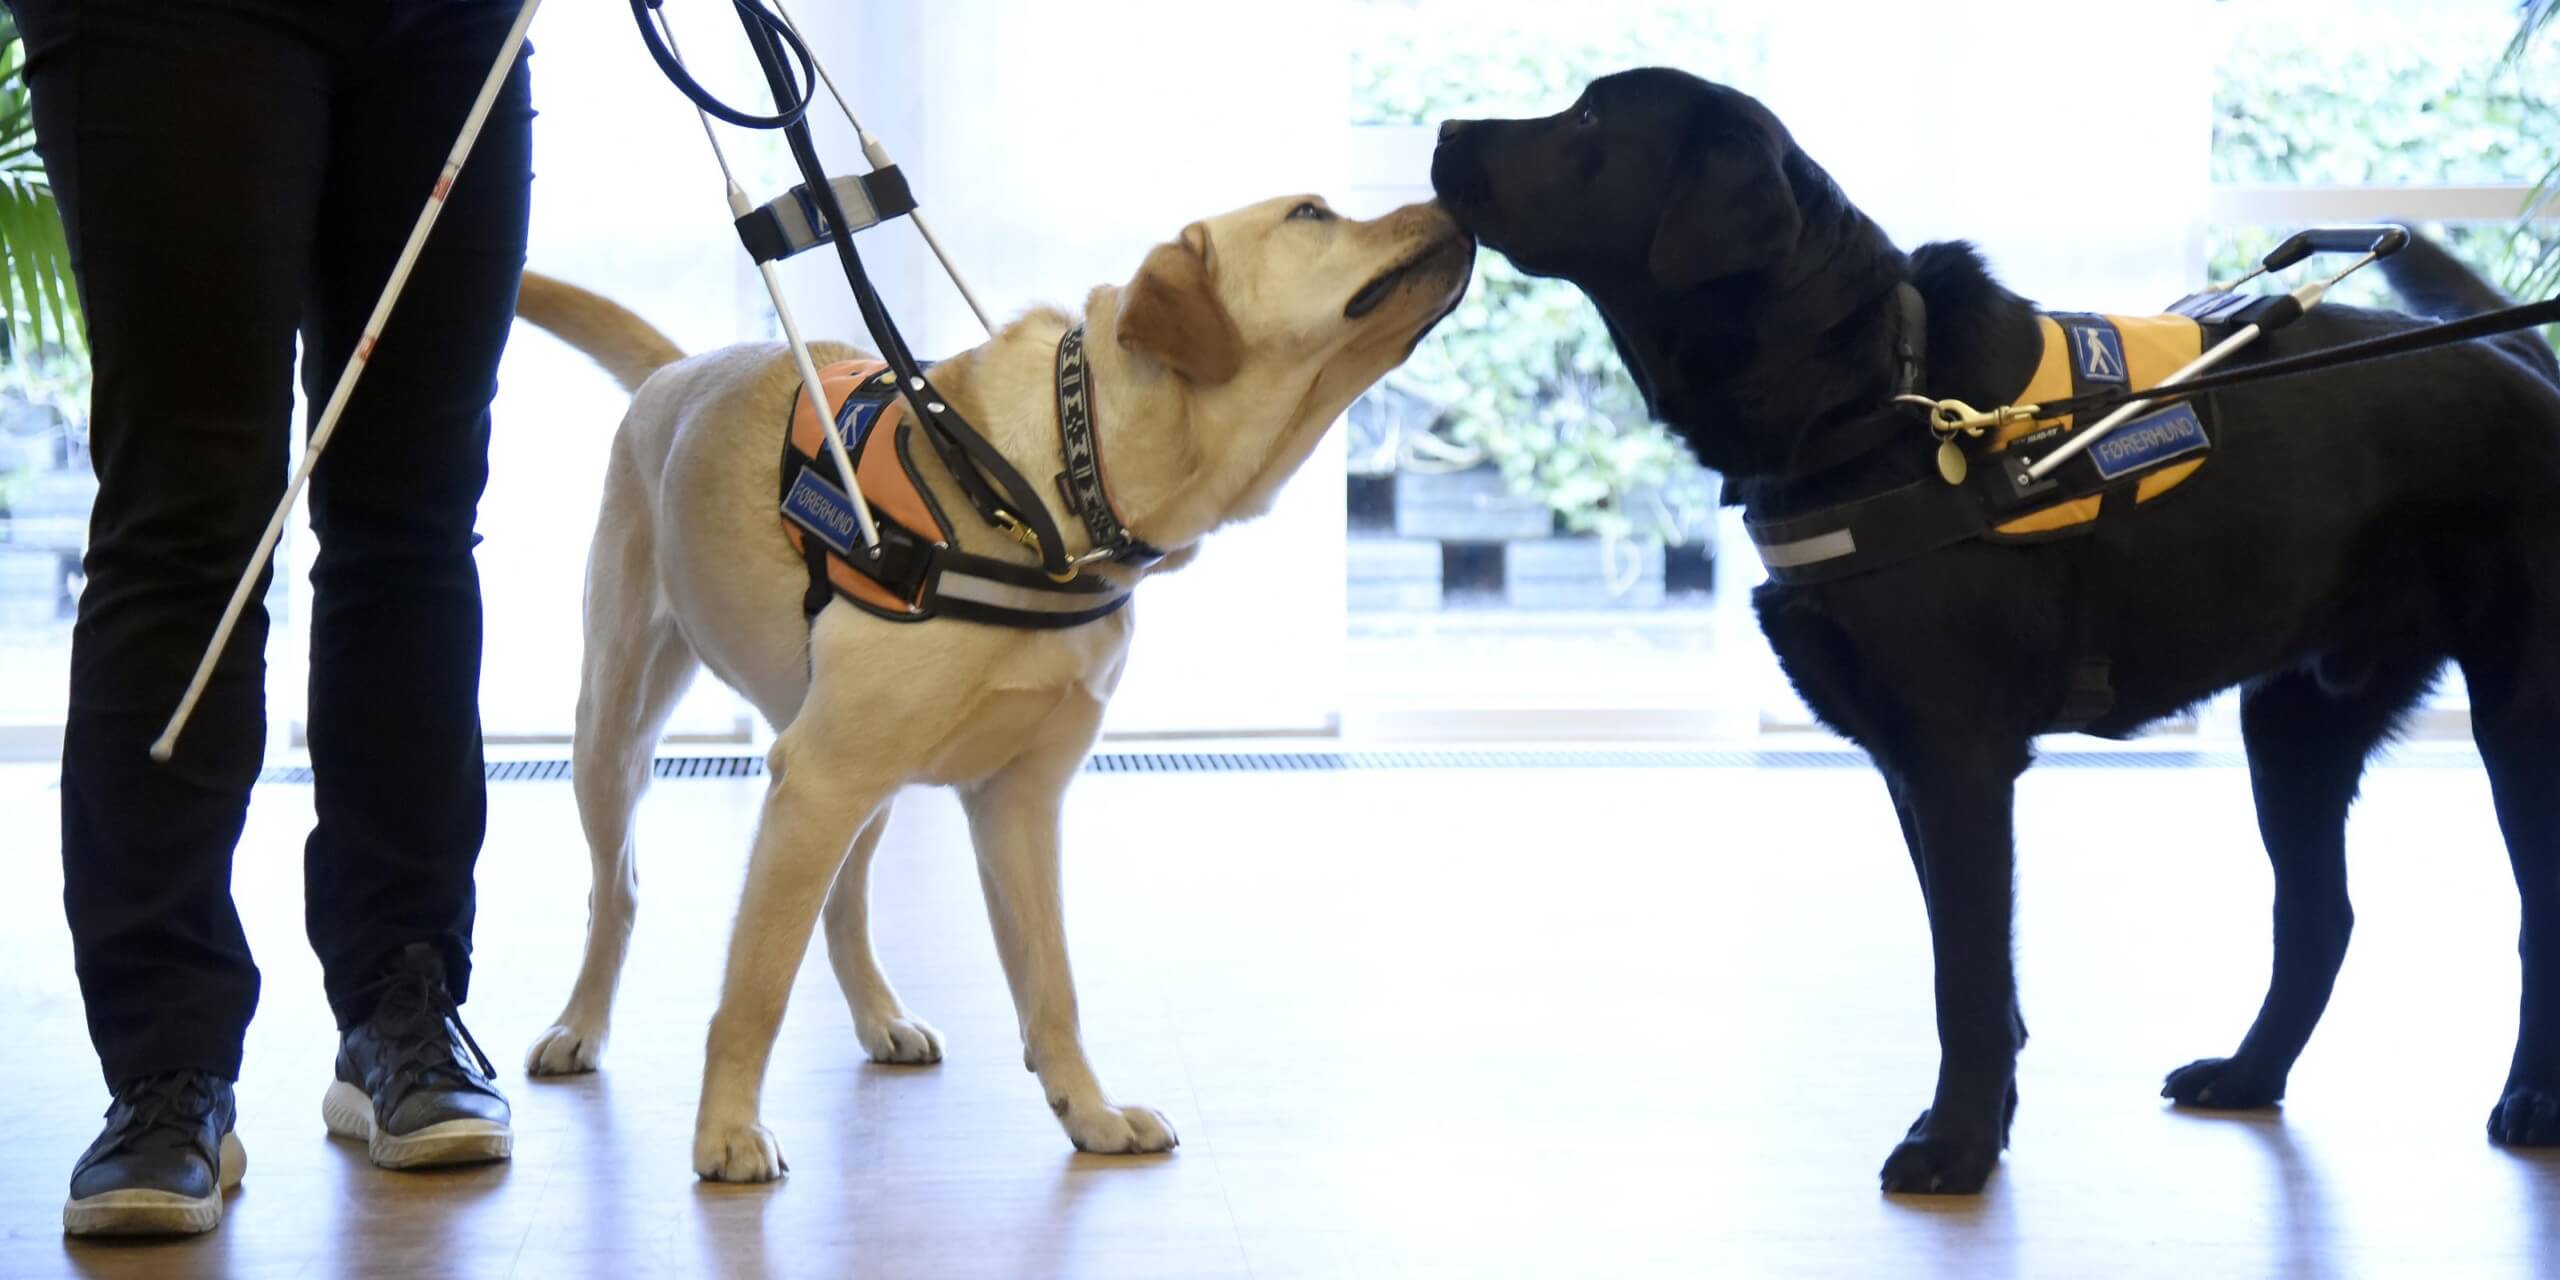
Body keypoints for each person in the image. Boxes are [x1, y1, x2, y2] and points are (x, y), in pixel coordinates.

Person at [7, 0, 533, 1238]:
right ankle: (163, 1068)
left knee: (411, 505)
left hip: (449, 26)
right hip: (172, 25)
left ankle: (401, 998)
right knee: (191, 517)